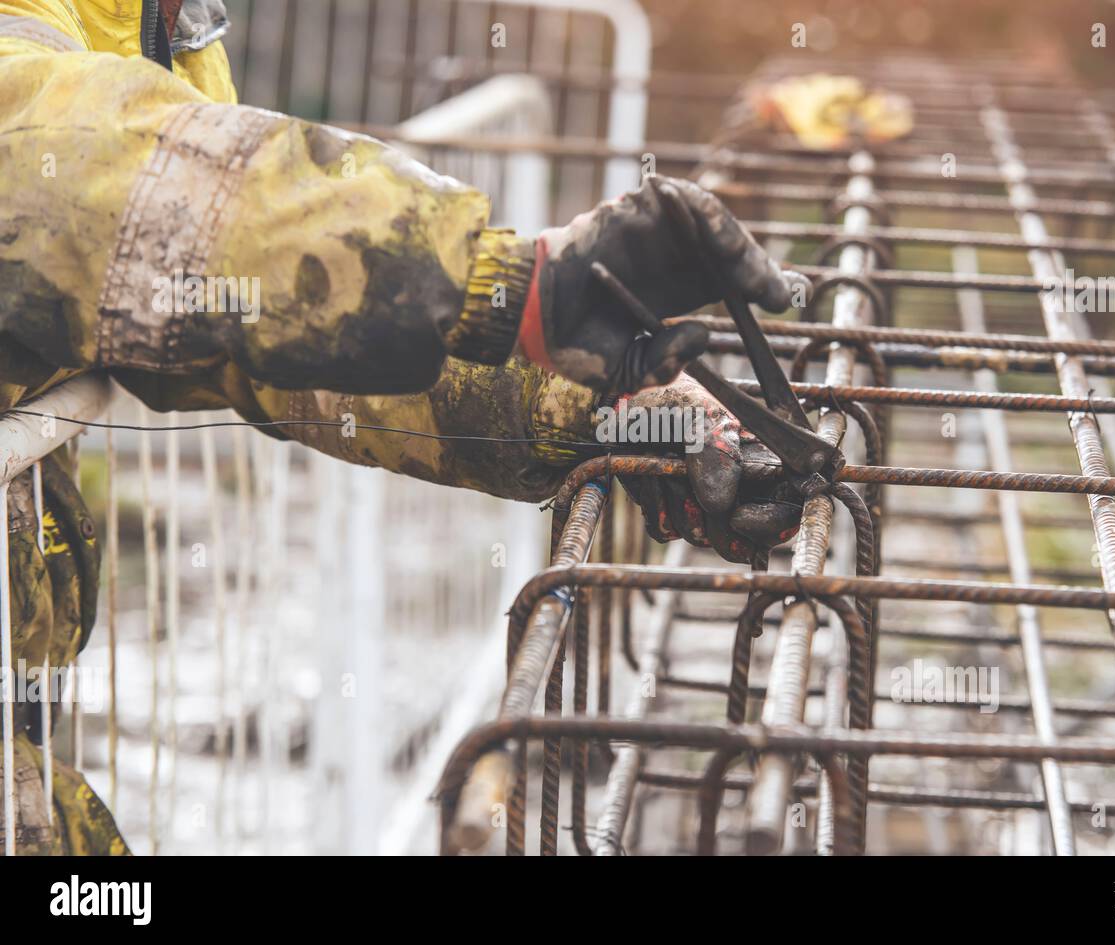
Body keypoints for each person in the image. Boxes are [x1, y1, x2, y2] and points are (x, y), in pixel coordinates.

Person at [0, 0, 803, 853]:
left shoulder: (161, 23)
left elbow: (247, 331)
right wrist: (503, 284)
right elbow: (51, 166)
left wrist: (593, 405)